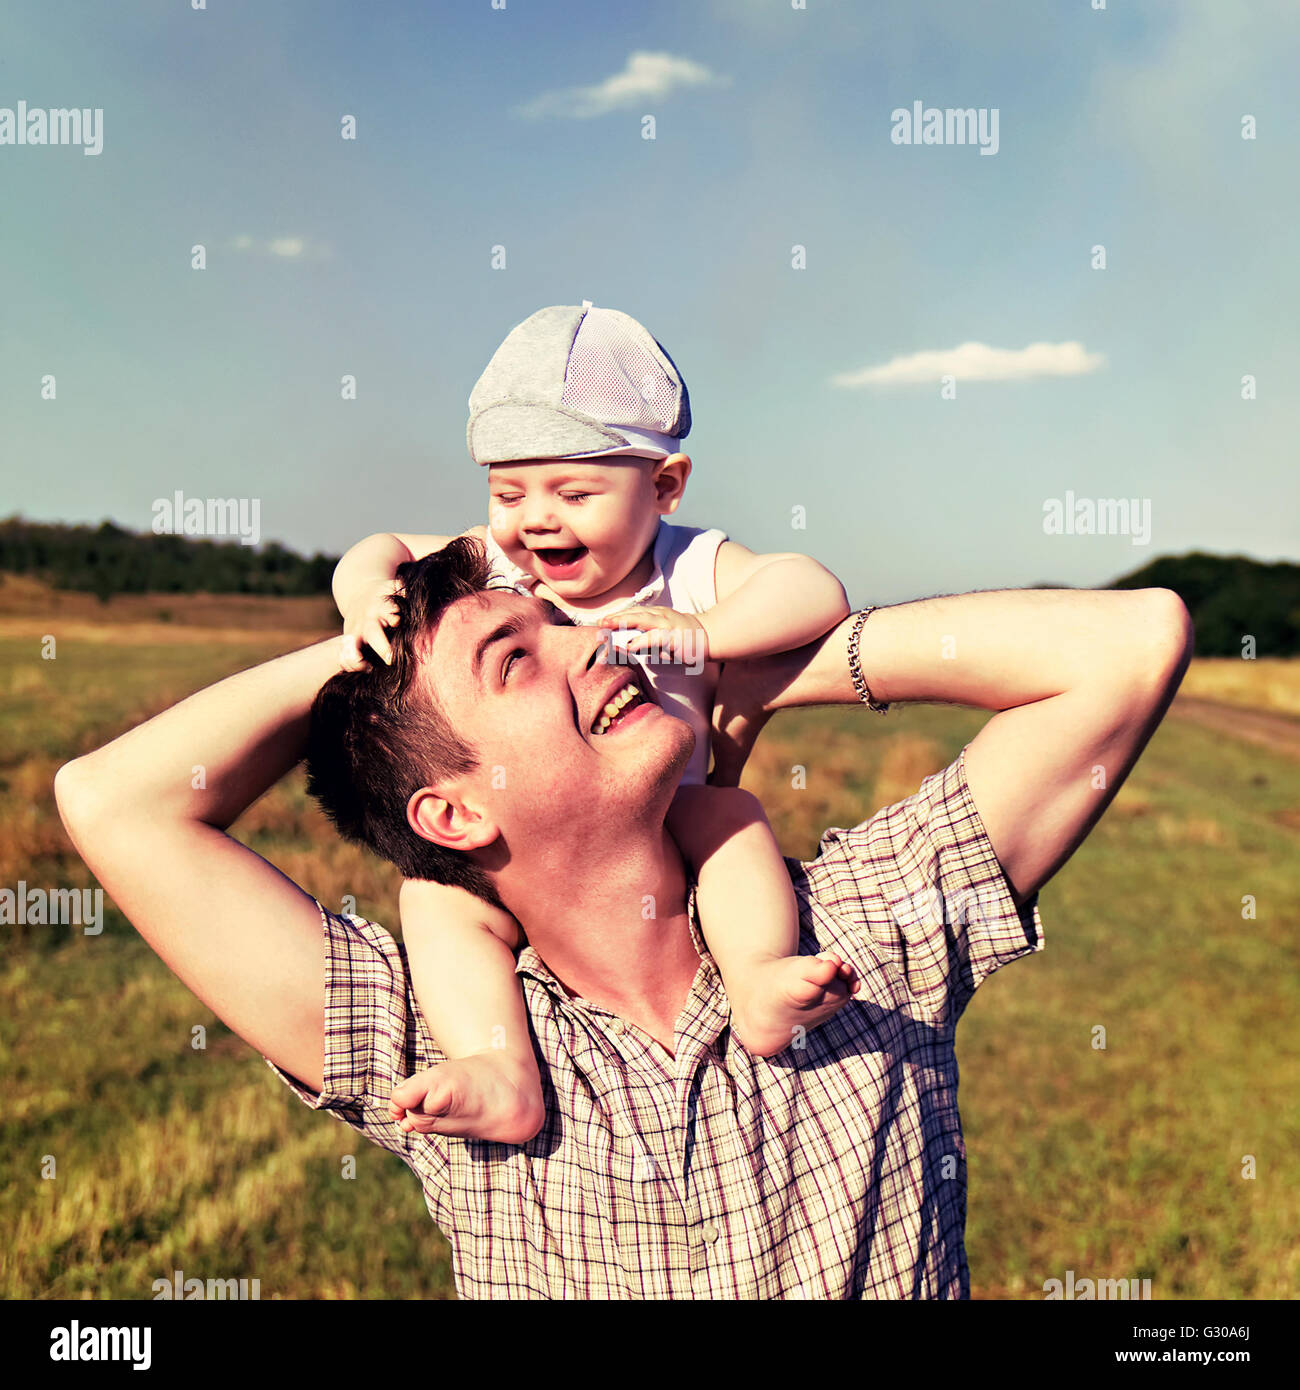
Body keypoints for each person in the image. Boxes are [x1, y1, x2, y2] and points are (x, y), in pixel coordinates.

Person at [54, 551, 1192, 1299]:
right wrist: (366, 650)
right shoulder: (449, 1050)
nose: (594, 643)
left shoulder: (857, 931)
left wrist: (748, 671)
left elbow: (1130, 644)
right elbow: (115, 804)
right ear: (450, 810)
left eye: (560, 622)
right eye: (517, 657)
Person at [330, 302, 855, 1144]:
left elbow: (813, 590)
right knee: (436, 897)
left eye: (574, 492)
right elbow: (381, 543)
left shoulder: (690, 566)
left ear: (665, 486)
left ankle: (756, 978)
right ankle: (501, 1068)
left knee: (729, 819)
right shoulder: (498, 566)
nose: (537, 517)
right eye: (508, 491)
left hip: (674, 811)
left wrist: (711, 633)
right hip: (546, 842)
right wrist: (367, 598)